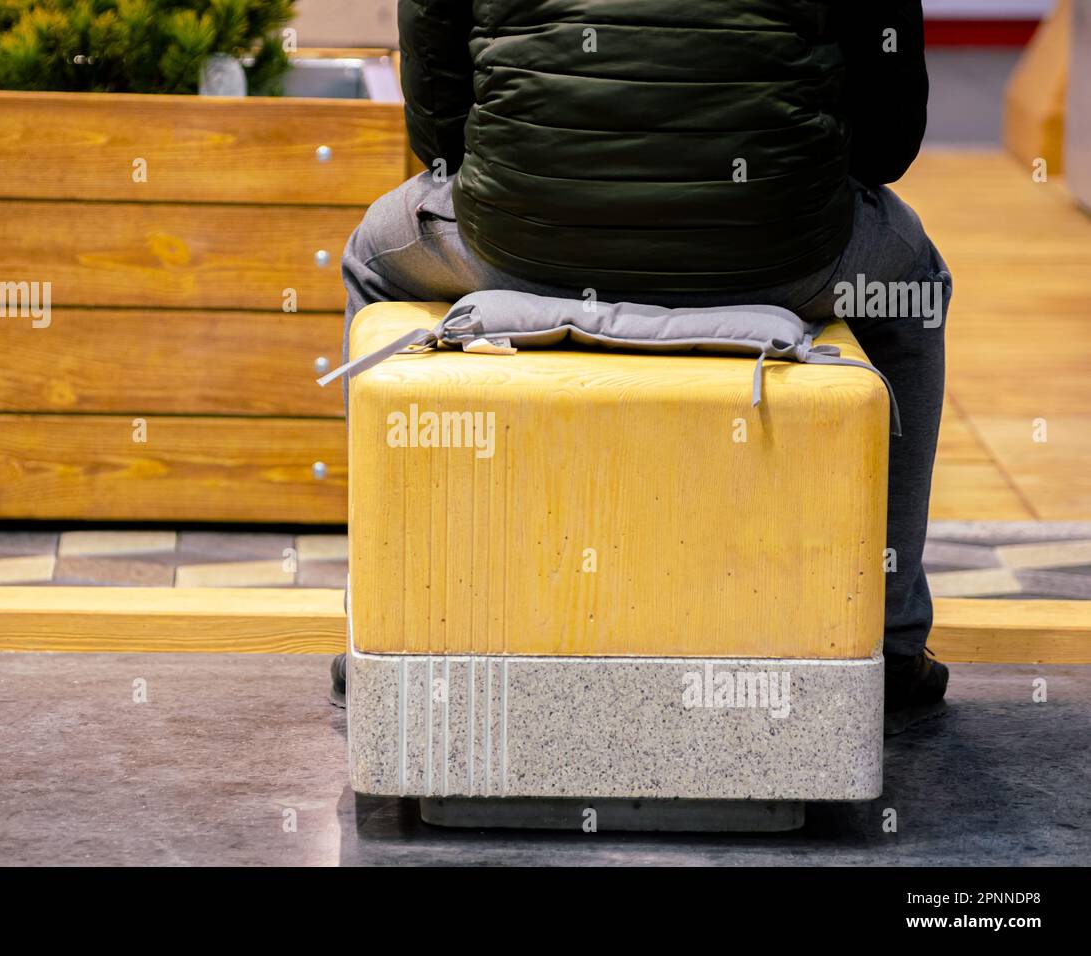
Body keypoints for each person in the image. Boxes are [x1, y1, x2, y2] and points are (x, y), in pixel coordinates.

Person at [331, 0, 950, 734]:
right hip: (780, 250)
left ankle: (381, 619)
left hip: (523, 237)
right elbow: (886, 144)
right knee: (914, 294)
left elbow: (436, 127)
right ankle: (888, 638)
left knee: (372, 260)